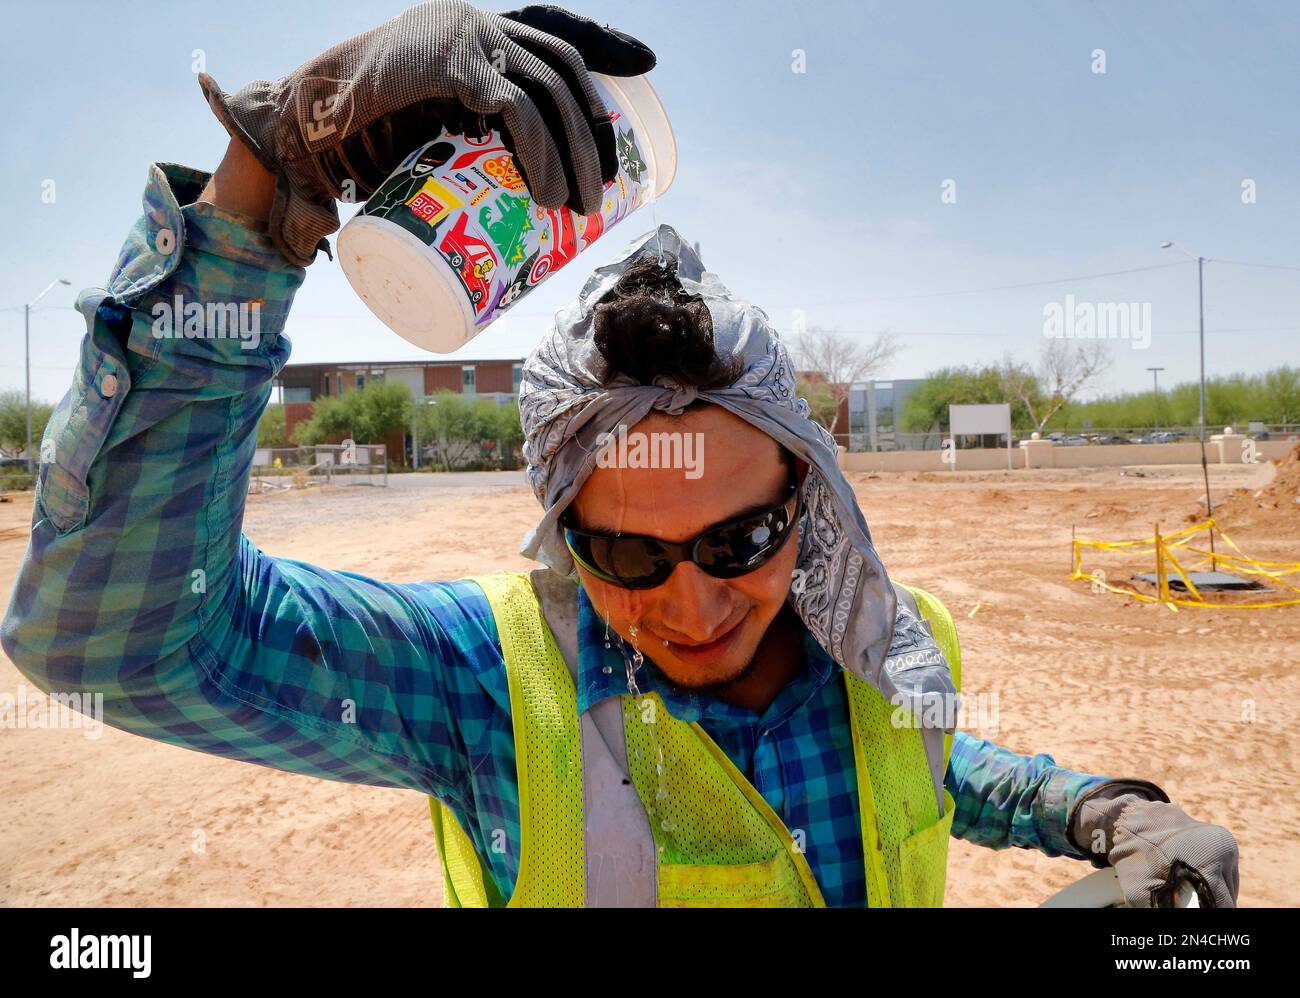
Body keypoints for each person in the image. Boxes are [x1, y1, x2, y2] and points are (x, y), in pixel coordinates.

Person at [2, 0, 1239, 908]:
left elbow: (923, 766)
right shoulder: (479, 685)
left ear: (808, 504)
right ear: (557, 532)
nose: (692, 605)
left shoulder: (881, 634)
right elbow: (113, 641)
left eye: (738, 540)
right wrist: (272, 185)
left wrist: (1097, 805)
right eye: (624, 554)